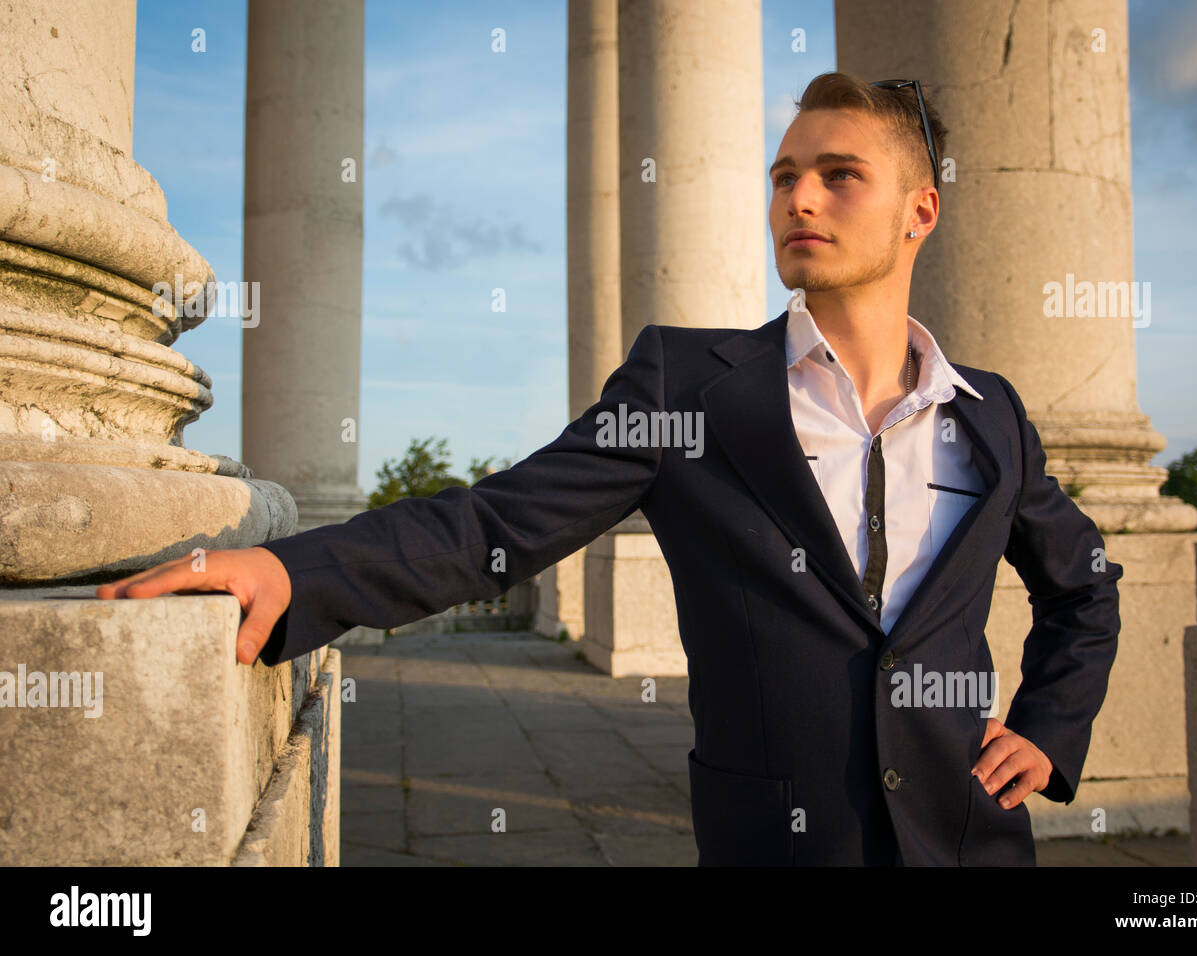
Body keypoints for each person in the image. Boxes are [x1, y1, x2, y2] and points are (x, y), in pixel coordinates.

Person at [98, 71, 1122, 866]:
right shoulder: (690, 386)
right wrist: (295, 573)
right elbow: (495, 523)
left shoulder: (990, 417)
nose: (798, 197)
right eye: (782, 177)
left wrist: (1046, 727)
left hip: (969, 842)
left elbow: (1084, 587)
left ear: (919, 212)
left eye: (838, 174)